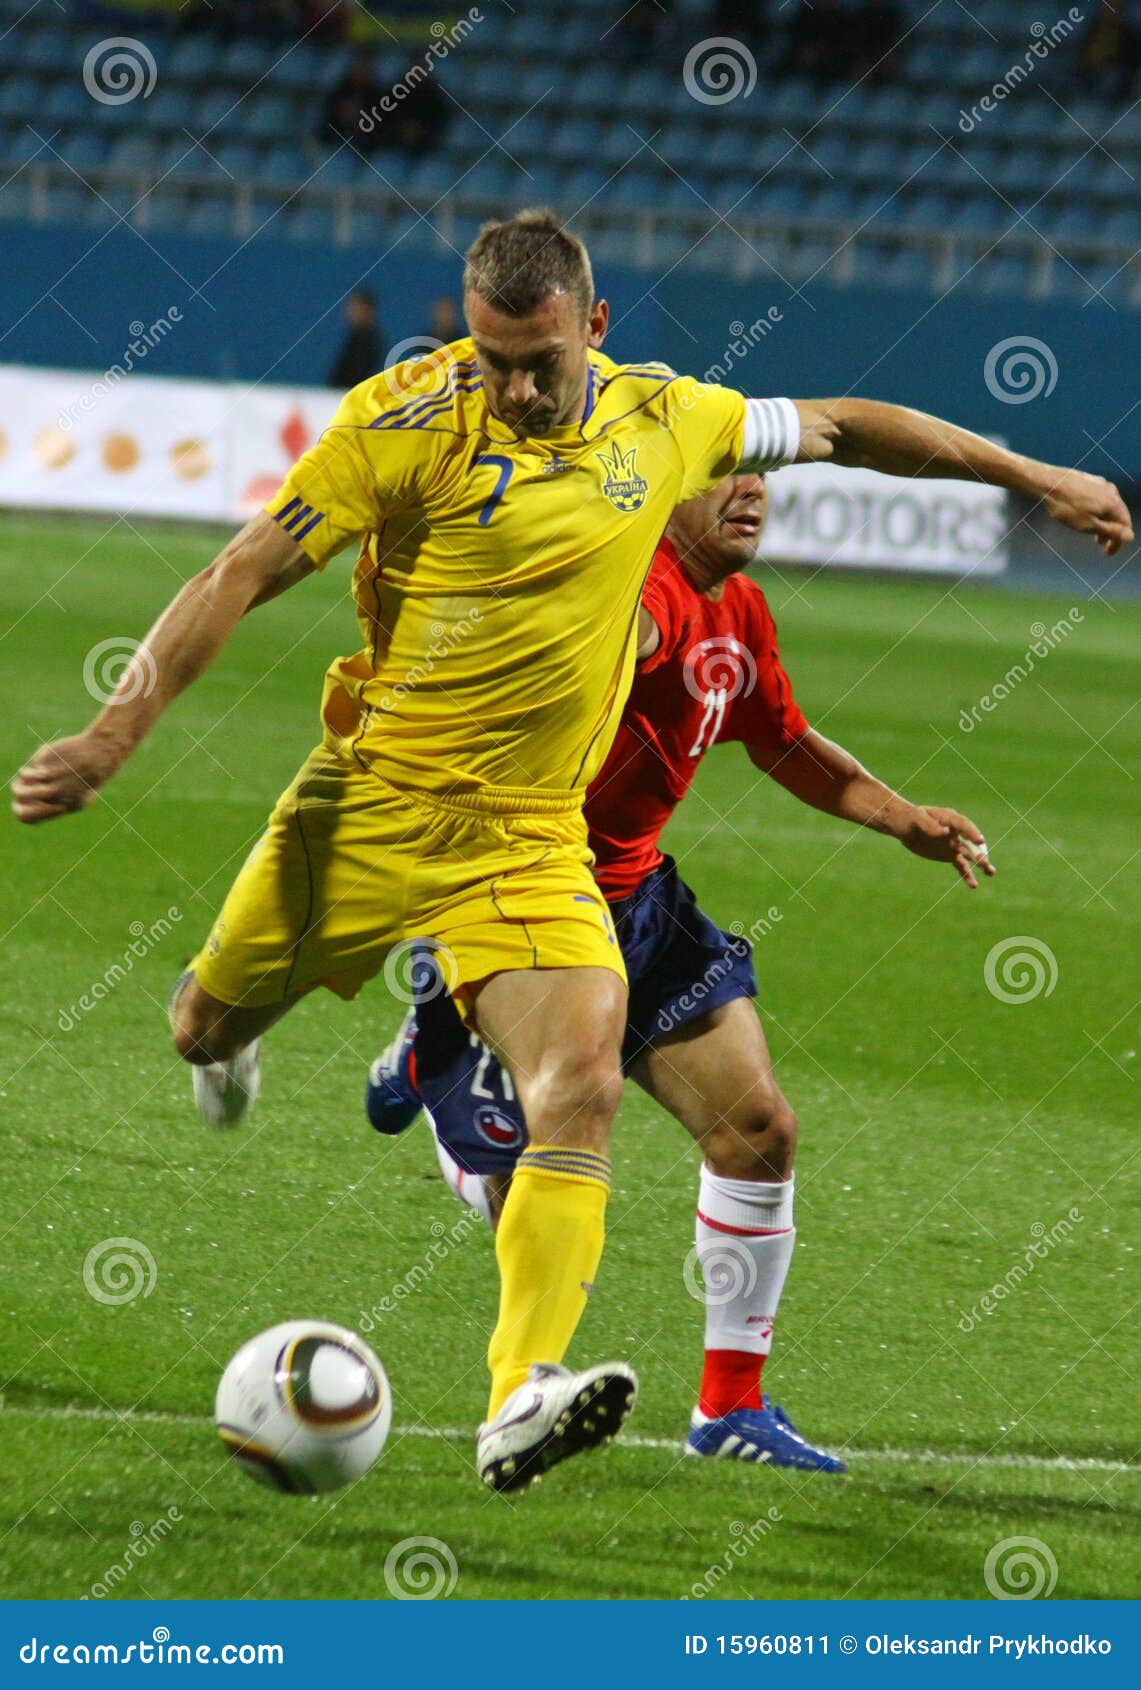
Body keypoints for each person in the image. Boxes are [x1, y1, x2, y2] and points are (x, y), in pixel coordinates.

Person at [12, 208, 1131, 1496]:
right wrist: (115, 729)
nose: (517, 388)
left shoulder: (667, 418)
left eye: (540, 360)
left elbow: (849, 425)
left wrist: (1033, 477)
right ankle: (242, 1031)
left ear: (595, 329)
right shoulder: (406, 416)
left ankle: (517, 1391)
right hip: (372, 801)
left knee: (584, 1077)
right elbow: (240, 570)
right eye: (493, 358)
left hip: (531, 835)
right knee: (200, 1024)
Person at [364, 469, 995, 1473]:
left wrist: (900, 817)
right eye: (721, 476)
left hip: (641, 905)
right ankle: (440, 1046)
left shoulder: (736, 606)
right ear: (661, 491)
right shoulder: (639, 595)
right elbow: (600, 648)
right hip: (539, 906)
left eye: (761, 477)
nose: (749, 493)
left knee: (758, 1131)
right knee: (512, 1173)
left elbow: (780, 736)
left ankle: (728, 1412)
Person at [327, 288, 387, 390]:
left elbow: (358, 376)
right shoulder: (353, 337)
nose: (350, 311)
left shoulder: (370, 341)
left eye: (355, 306)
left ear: (367, 310)